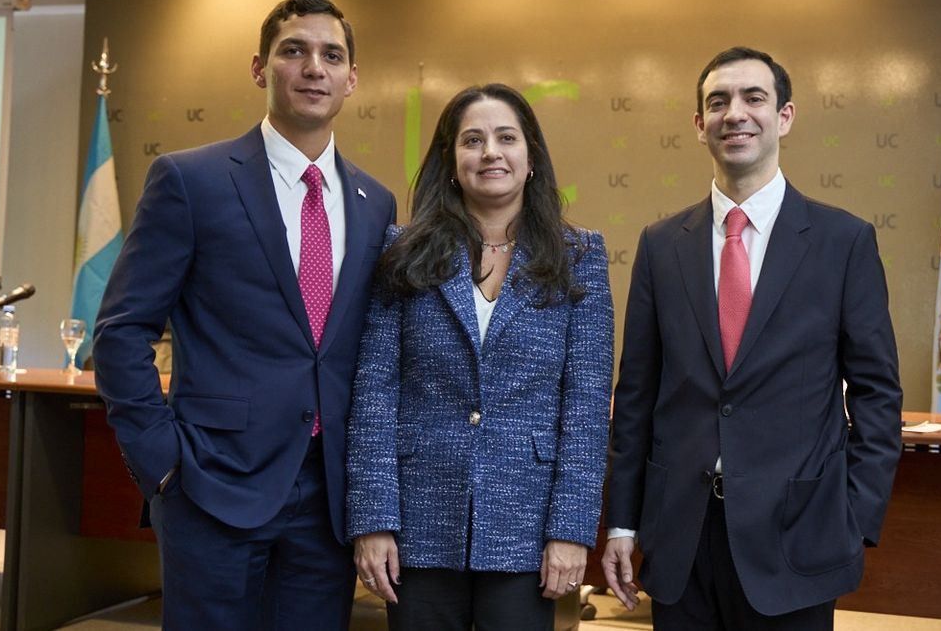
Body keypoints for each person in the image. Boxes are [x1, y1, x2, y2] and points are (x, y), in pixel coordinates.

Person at [93, 0, 396, 630]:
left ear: (351, 79)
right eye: (295, 50)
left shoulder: (376, 202)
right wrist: (164, 464)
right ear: (261, 68)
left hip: (330, 499)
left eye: (331, 55)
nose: (314, 67)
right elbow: (121, 332)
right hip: (211, 485)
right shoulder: (190, 180)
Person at [601, 47, 903, 630]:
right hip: (681, 537)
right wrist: (622, 523)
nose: (734, 113)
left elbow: (876, 394)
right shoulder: (662, 245)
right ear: (699, 125)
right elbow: (636, 393)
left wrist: (856, 517)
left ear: (784, 116)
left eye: (753, 98)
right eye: (718, 102)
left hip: (798, 535)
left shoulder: (844, 241)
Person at [346, 83, 614, 630]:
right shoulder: (402, 252)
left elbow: (586, 408)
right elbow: (373, 393)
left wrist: (571, 531)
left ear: (531, 156)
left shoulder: (579, 256)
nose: (490, 151)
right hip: (417, 525)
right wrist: (373, 520)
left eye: (506, 138)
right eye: (472, 140)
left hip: (529, 527)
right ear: (450, 162)